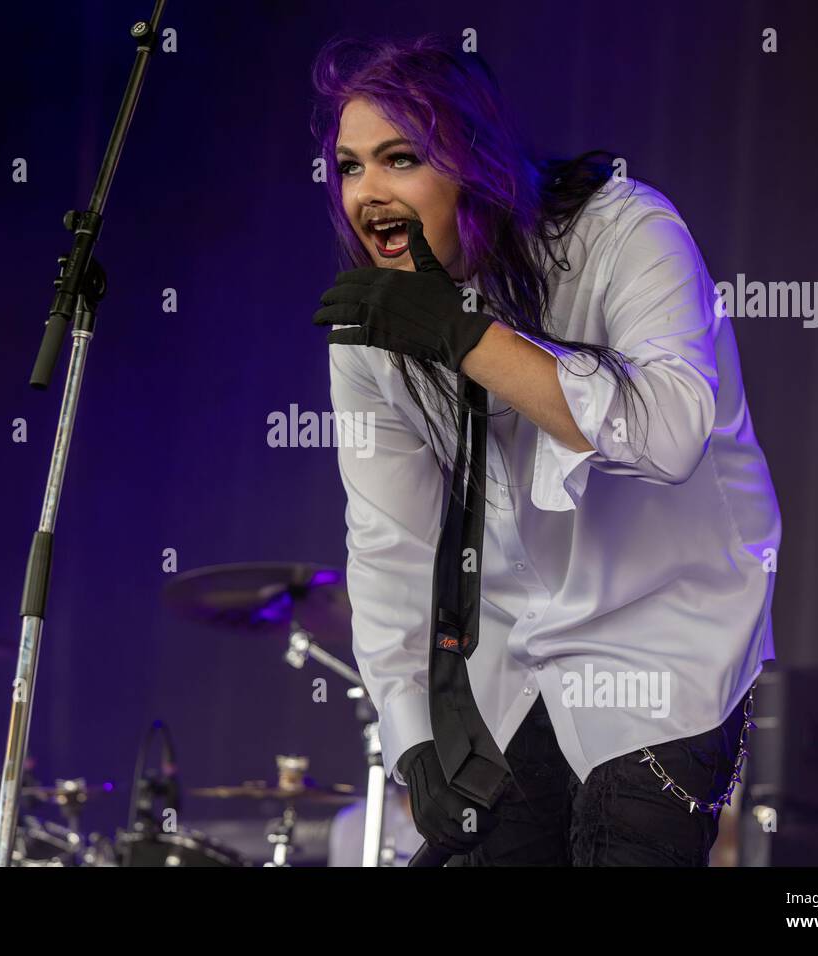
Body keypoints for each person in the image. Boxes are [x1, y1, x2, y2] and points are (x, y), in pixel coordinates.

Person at [311, 34, 780, 866]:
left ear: (473, 161)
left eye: (400, 159)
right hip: (517, 655)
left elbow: (670, 431)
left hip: (665, 640)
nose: (368, 192)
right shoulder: (370, 331)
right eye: (349, 167)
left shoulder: (623, 229)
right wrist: (413, 731)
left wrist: (463, 337)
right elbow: (390, 545)